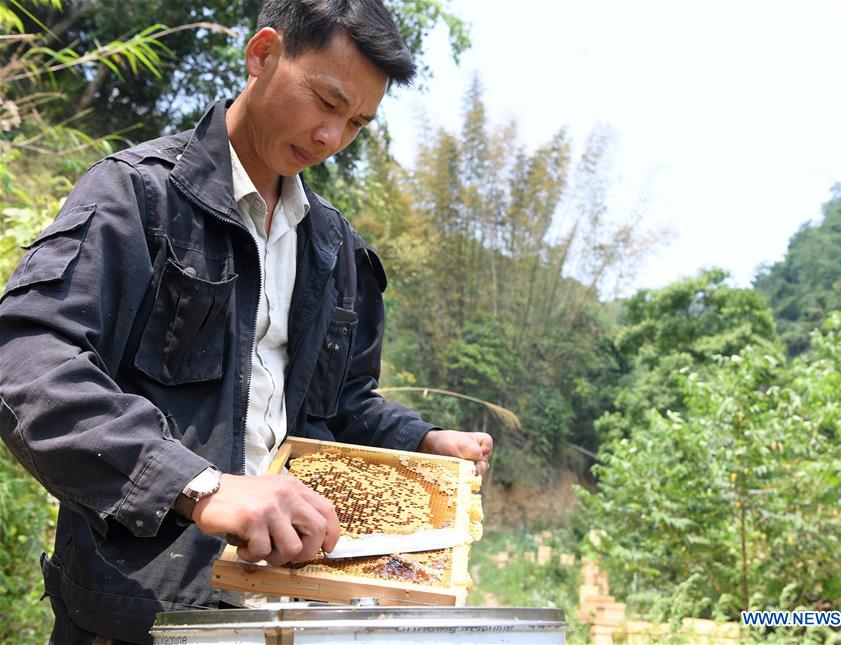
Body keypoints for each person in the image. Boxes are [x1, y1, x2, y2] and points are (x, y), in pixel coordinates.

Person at [0, 0, 492, 642]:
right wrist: (203, 488)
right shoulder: (136, 198)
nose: (331, 138)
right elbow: (27, 364)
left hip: (297, 613)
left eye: (356, 123)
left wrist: (419, 442)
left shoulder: (334, 250)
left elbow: (339, 405)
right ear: (262, 55)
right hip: (141, 620)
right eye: (325, 100)